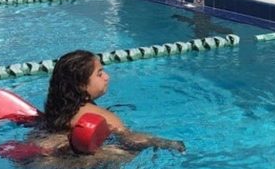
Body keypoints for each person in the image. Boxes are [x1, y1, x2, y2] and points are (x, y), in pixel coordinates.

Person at [32, 49, 185, 161]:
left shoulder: (57, 107)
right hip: (80, 161)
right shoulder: (103, 116)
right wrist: (166, 143)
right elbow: (131, 139)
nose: (107, 77)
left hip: (48, 156)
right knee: (123, 156)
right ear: (81, 85)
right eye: (99, 74)